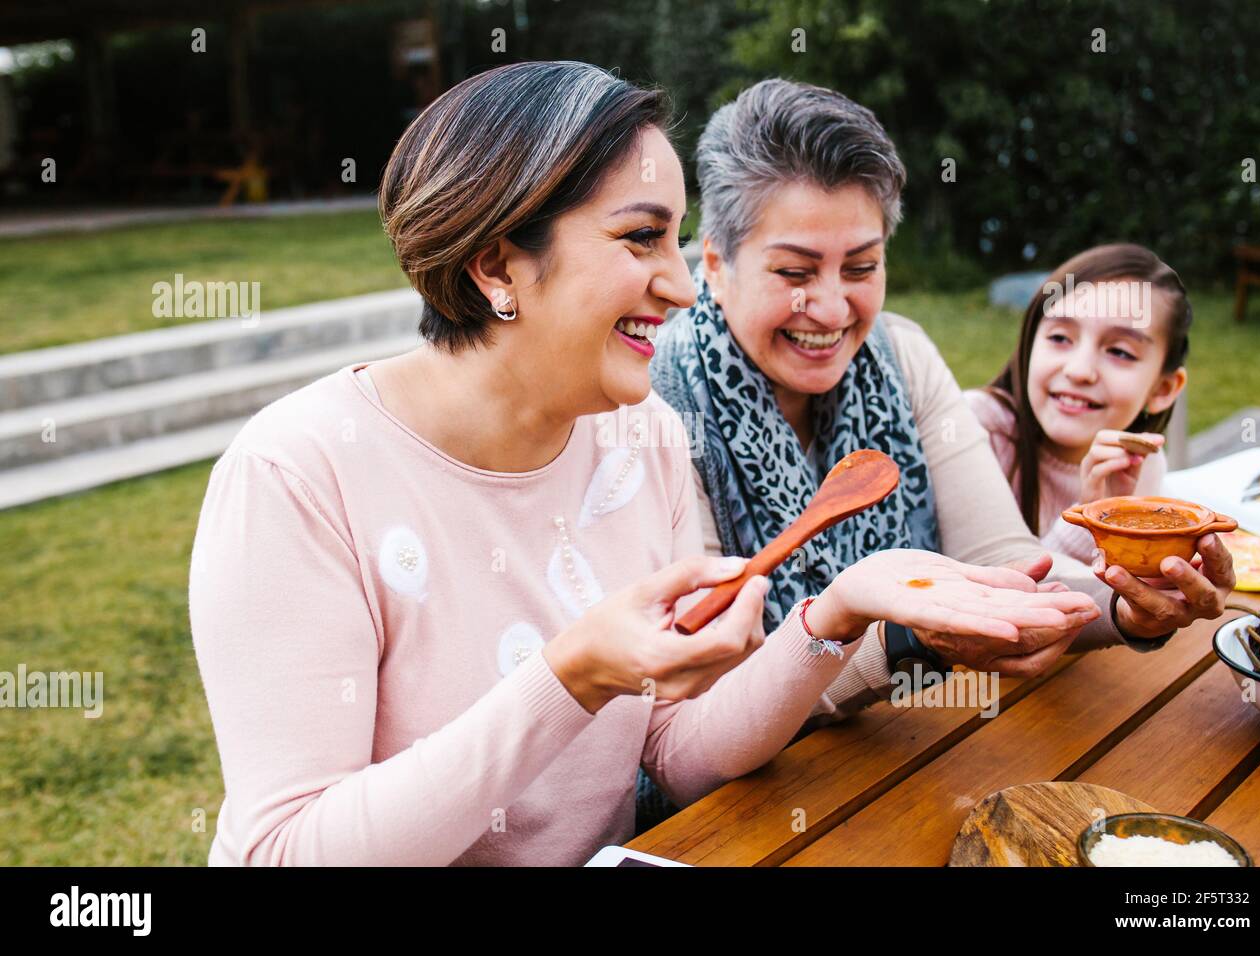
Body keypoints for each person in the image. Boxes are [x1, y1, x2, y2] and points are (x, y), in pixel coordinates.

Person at [187, 61, 1089, 866]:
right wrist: (569, 677)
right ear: (498, 266)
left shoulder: (643, 434)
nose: (686, 284)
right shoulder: (297, 475)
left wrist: (832, 615)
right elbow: (285, 851)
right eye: (640, 238)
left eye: (676, 236)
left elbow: (674, 750)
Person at [650, 79, 1236, 729]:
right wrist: (908, 643)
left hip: (906, 750)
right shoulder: (659, 401)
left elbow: (1006, 564)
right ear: (716, 264)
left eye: (861, 267)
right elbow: (707, 692)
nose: (833, 308)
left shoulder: (904, 354)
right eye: (794, 272)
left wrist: (1128, 607)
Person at [965, 243, 1190, 565]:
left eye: (1120, 352)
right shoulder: (978, 430)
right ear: (1030, 344)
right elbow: (988, 590)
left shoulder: (1141, 466)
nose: (1079, 370)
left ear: (1163, 389)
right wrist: (1088, 520)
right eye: (1060, 338)